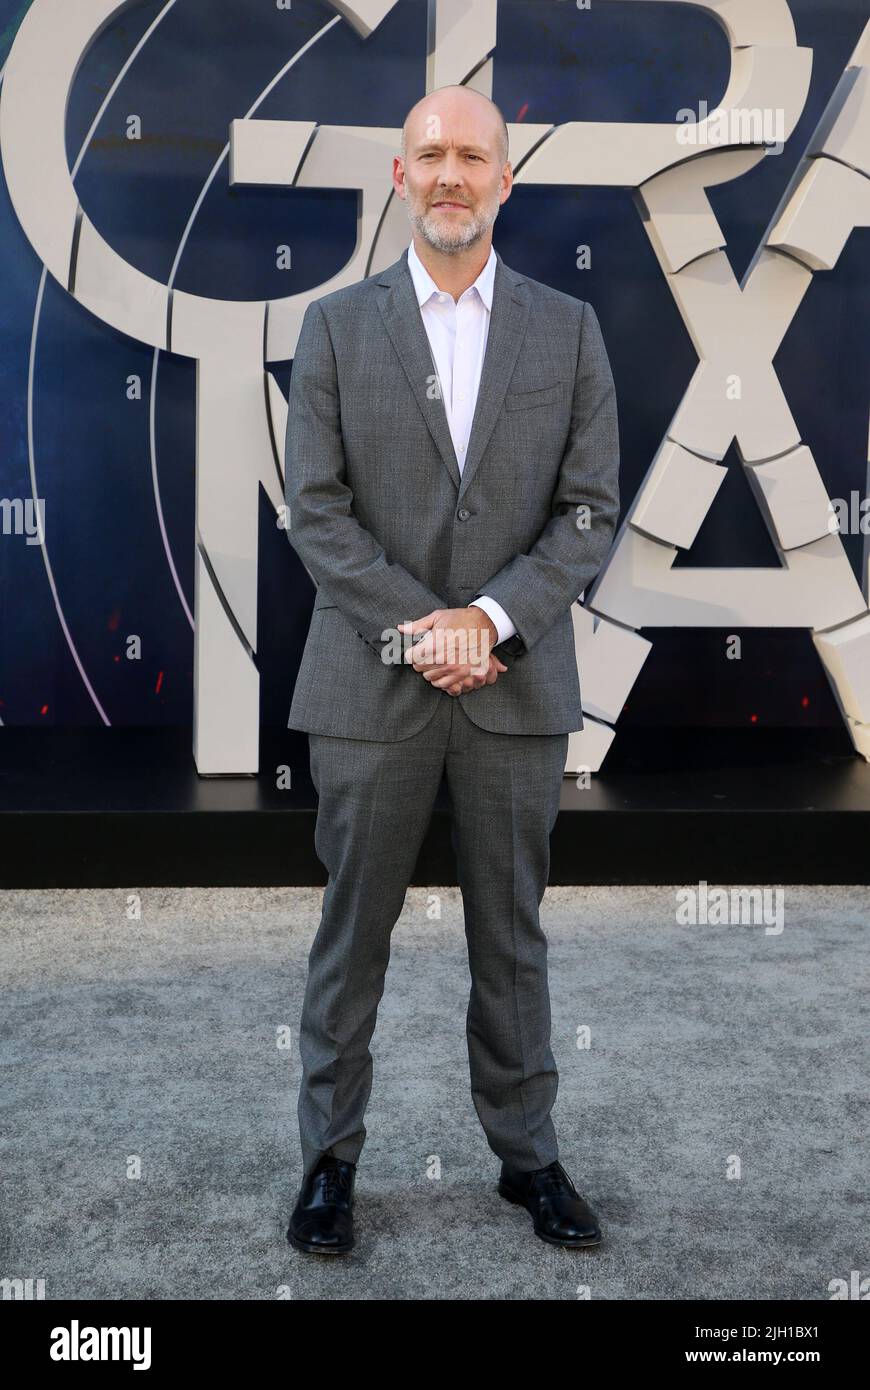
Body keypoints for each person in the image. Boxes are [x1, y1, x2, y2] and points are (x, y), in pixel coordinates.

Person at [283, 84, 620, 1254]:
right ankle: (329, 1164)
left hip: (516, 690)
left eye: (472, 156)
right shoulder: (332, 327)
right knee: (351, 934)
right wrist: (431, 629)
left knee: (512, 941)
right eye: (429, 154)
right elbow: (317, 517)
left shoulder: (569, 328)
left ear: (504, 181)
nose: (450, 175)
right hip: (369, 688)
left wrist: (489, 621)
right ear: (398, 176)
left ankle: (529, 1162)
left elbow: (588, 517)